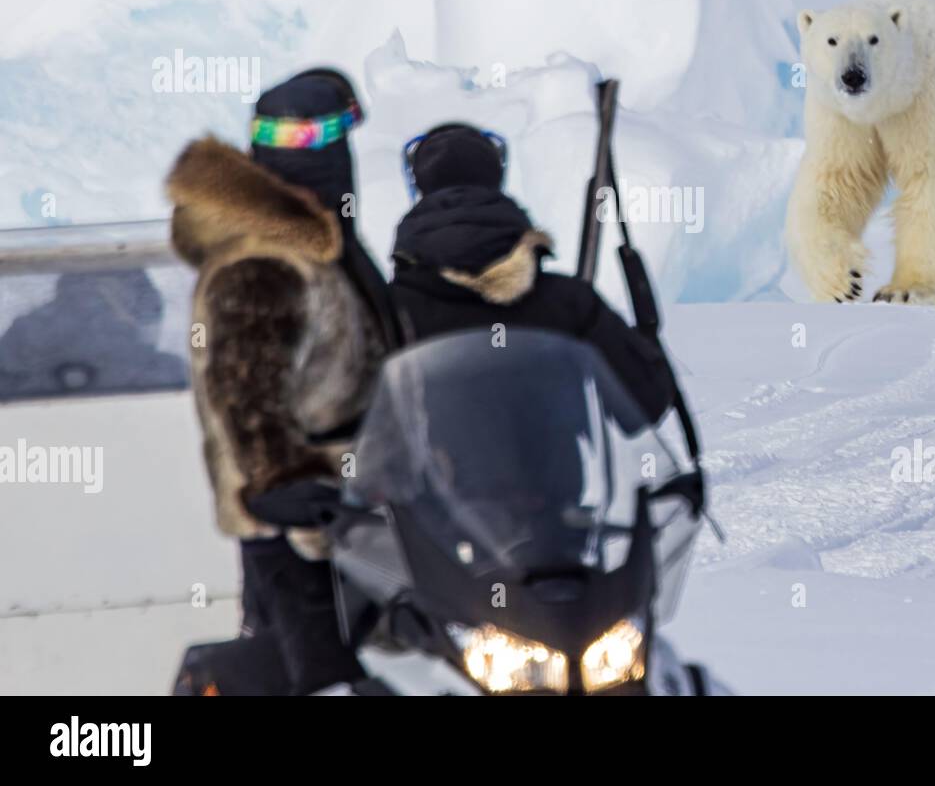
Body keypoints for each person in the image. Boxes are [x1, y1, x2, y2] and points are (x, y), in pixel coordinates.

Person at [167, 68, 397, 696]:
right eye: (287, 139)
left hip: (357, 520)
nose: (312, 153)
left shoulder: (320, 244)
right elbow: (245, 393)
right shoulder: (262, 263)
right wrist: (284, 485)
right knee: (326, 682)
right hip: (303, 529)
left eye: (322, 136)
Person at [390, 123, 675, 422]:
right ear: (496, 179)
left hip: (425, 470)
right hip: (558, 471)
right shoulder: (569, 302)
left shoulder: (389, 313)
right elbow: (647, 404)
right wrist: (644, 340)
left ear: (419, 187)